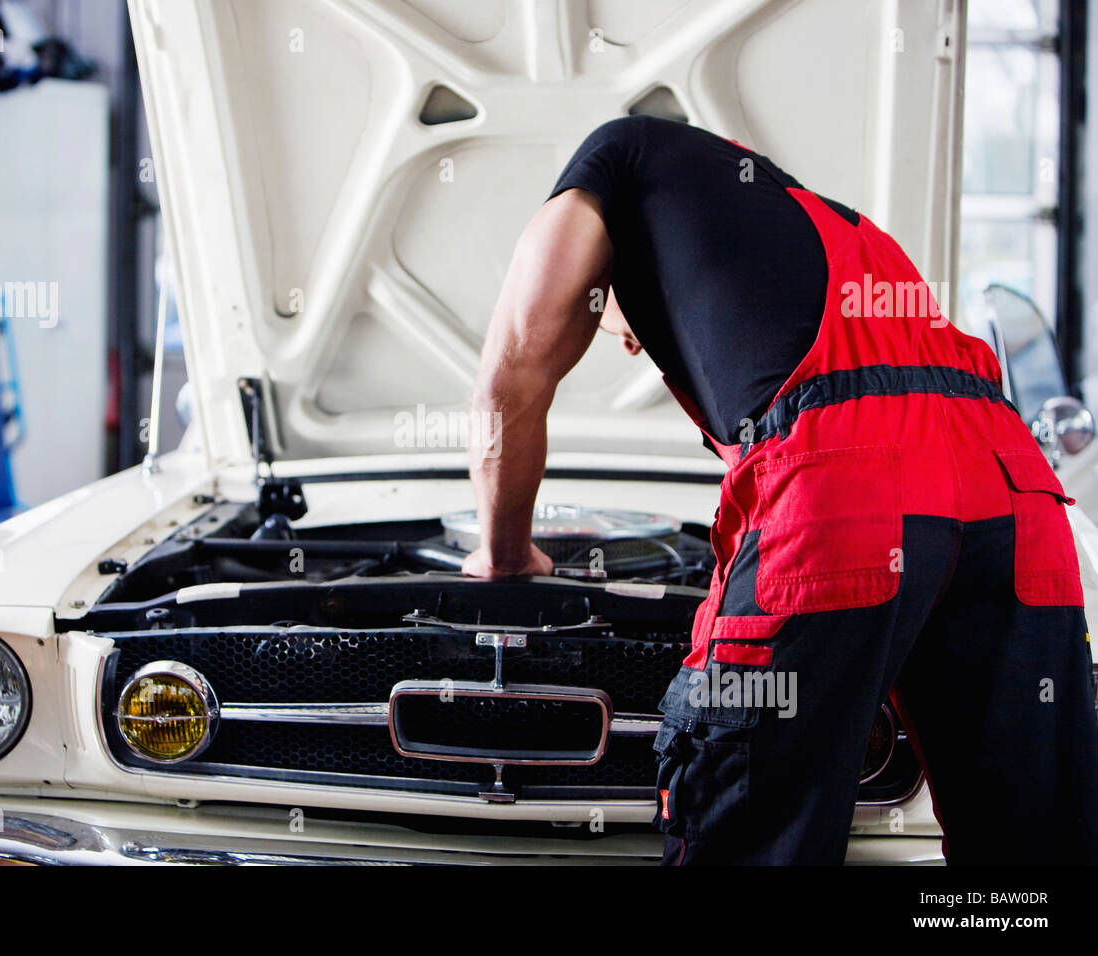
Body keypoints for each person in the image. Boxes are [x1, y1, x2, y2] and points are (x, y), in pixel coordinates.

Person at [461, 114, 1098, 864]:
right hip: (1015, 493)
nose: (630, 339)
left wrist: (506, 555)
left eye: (610, 313)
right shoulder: (828, 232)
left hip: (849, 490)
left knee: (748, 825)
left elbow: (509, 380)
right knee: (1033, 854)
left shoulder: (612, 159)